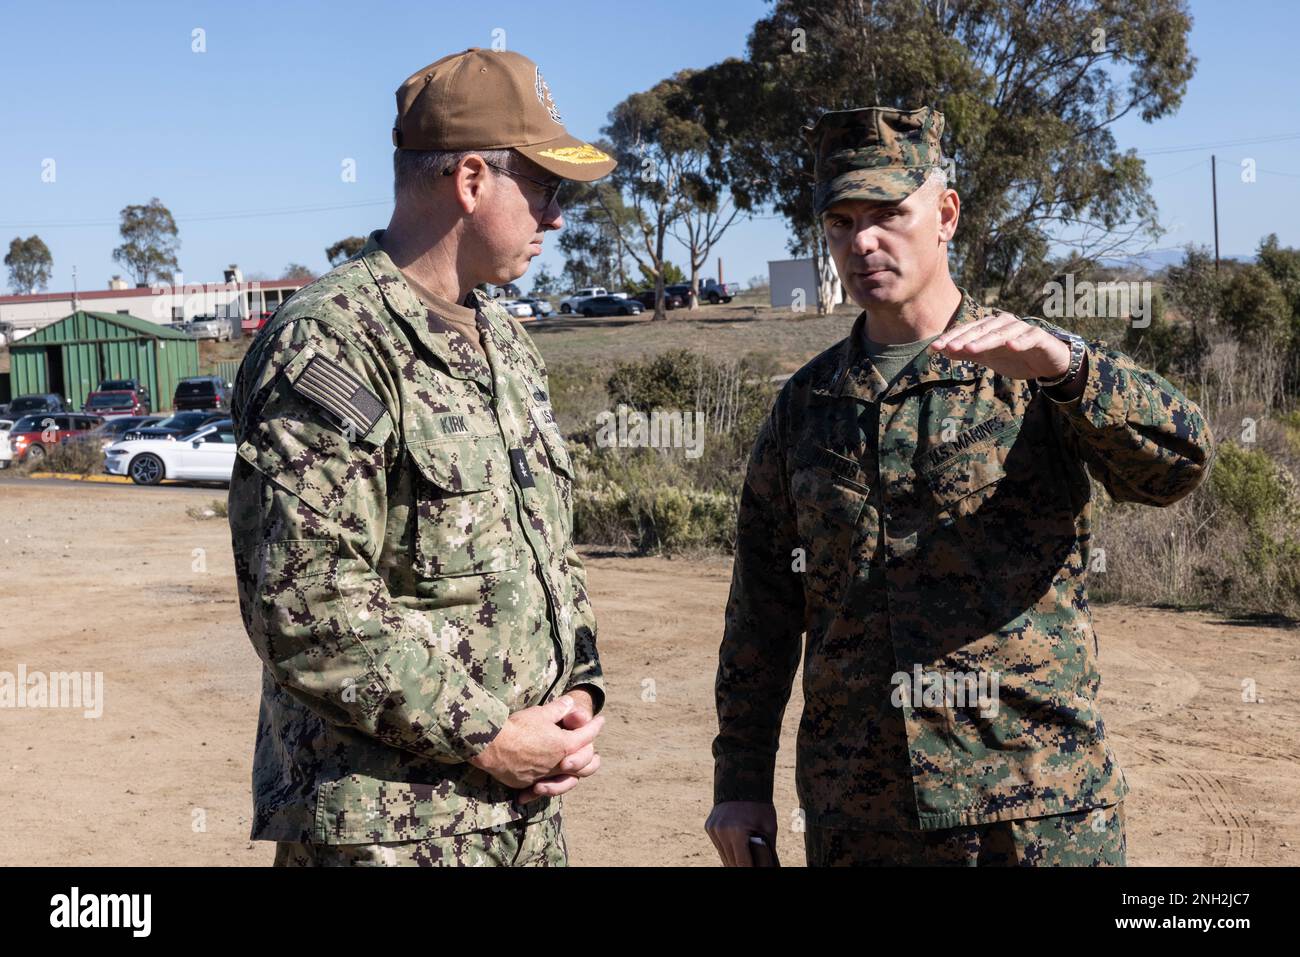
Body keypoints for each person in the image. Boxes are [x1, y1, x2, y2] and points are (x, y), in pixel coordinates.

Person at [706, 106, 1213, 866]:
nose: (862, 241)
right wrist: (739, 779)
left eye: (887, 214)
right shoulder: (806, 407)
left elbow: (1177, 466)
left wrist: (1072, 370)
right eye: (841, 222)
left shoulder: (1033, 369)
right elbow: (763, 610)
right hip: (864, 820)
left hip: (1035, 811)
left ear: (945, 214)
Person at [228, 48, 617, 867]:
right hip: (390, 832)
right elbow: (304, 603)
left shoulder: (508, 343)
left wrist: (580, 688)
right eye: (545, 187)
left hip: (520, 822)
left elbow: (552, 548)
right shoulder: (330, 343)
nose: (556, 218)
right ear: (471, 180)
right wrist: (488, 735)